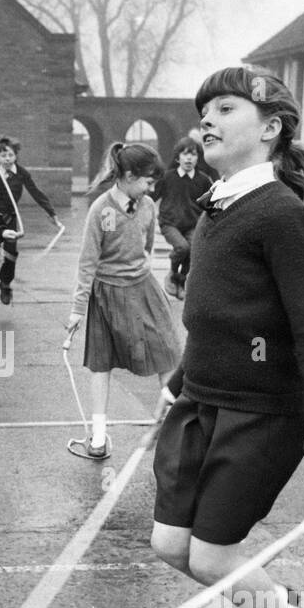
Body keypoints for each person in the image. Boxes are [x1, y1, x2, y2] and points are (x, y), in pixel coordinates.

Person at [148, 67, 304, 608]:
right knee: (169, 545)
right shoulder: (218, 202)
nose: (206, 119)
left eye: (224, 108)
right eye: (204, 109)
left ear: (269, 129)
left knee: (211, 558)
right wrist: (177, 383)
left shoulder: (282, 215)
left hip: (261, 412)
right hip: (201, 399)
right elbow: (214, 317)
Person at [67, 141, 179, 458]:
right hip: (106, 292)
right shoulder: (100, 210)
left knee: (168, 352)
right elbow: (87, 263)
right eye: (147, 181)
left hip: (142, 289)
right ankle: (98, 438)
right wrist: (77, 310)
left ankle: (173, 426)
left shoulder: (147, 207)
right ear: (128, 175)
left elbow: (147, 248)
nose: (151, 188)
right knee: (101, 365)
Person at [0, 135, 57, 305]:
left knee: (11, 252)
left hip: (10, 217)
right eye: (3, 156)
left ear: (15, 155)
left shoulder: (22, 174)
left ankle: (5, 284)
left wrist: (51, 212)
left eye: (10, 155)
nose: (7, 159)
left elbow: (36, 192)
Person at [150, 136, 213, 300]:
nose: (189, 158)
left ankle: (182, 281)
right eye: (185, 154)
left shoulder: (203, 180)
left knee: (193, 250)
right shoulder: (167, 177)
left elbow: (210, 205)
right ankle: (172, 273)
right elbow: (151, 198)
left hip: (193, 224)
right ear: (177, 158)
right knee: (182, 247)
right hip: (169, 223)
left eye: (193, 154)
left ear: (198, 158)